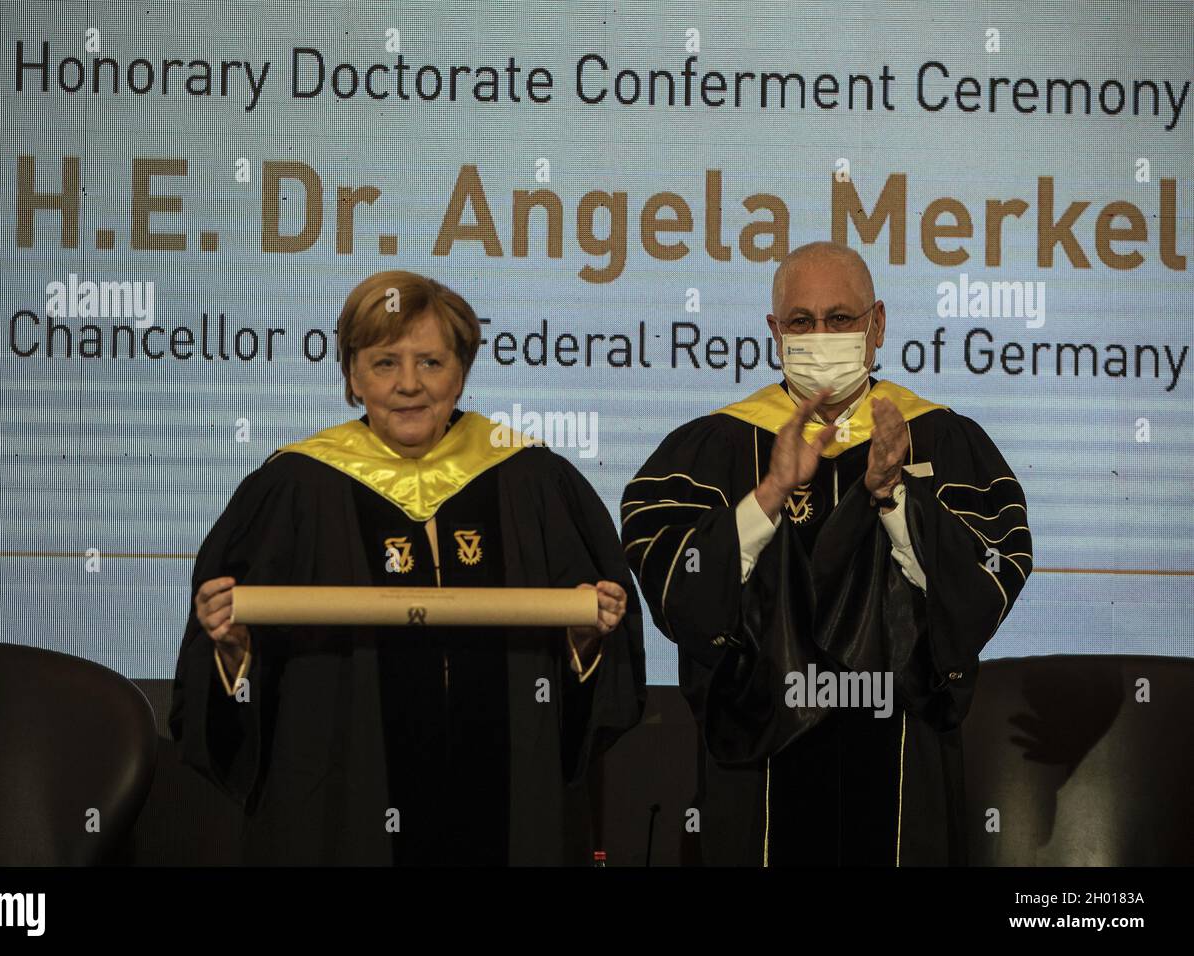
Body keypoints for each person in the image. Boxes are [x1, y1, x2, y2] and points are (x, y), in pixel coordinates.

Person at [171, 270, 645, 865]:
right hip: (347, 815)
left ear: (462, 372)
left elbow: (598, 681)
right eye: (385, 362)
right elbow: (224, 694)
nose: (409, 386)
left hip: (506, 812)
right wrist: (233, 651)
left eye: (431, 362)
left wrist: (585, 642)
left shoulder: (534, 483)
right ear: (352, 375)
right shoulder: (294, 489)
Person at [621, 242, 1032, 865]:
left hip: (898, 745)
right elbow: (681, 595)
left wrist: (897, 498)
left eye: (840, 319)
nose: (821, 336)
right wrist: (769, 495)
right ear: (773, 331)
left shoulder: (943, 440)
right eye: (801, 322)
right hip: (760, 754)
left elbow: (983, 586)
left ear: (878, 325)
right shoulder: (715, 449)